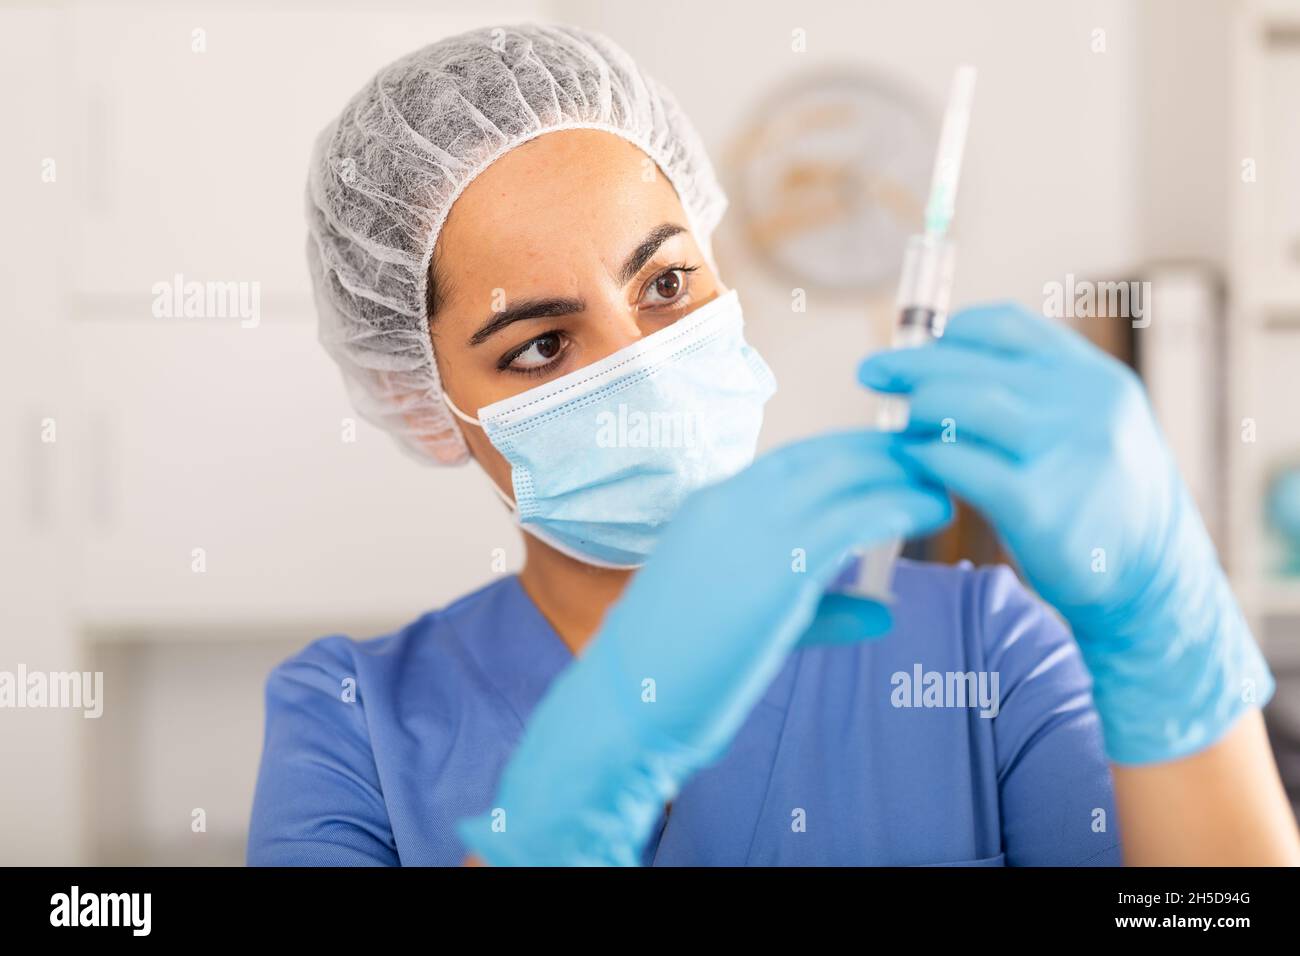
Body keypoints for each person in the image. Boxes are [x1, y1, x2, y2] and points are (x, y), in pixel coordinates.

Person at [247, 23, 1300, 866]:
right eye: (538, 346)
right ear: (428, 401)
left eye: (665, 283)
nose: (642, 365)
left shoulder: (986, 647)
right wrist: (568, 804)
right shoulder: (351, 720)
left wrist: (1165, 634)